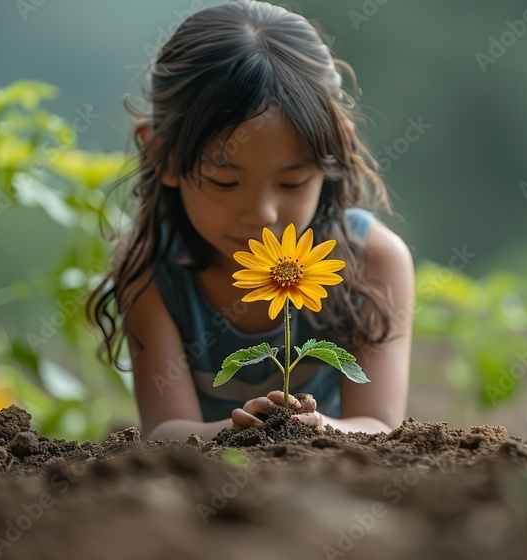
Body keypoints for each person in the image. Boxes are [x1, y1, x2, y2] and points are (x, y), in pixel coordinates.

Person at [87, 0, 414, 441]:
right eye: (224, 182)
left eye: (293, 183)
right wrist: (244, 431)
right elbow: (164, 430)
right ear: (159, 154)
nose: (263, 215)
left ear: (334, 153)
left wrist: (314, 430)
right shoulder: (152, 267)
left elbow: (380, 428)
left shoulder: (374, 261)